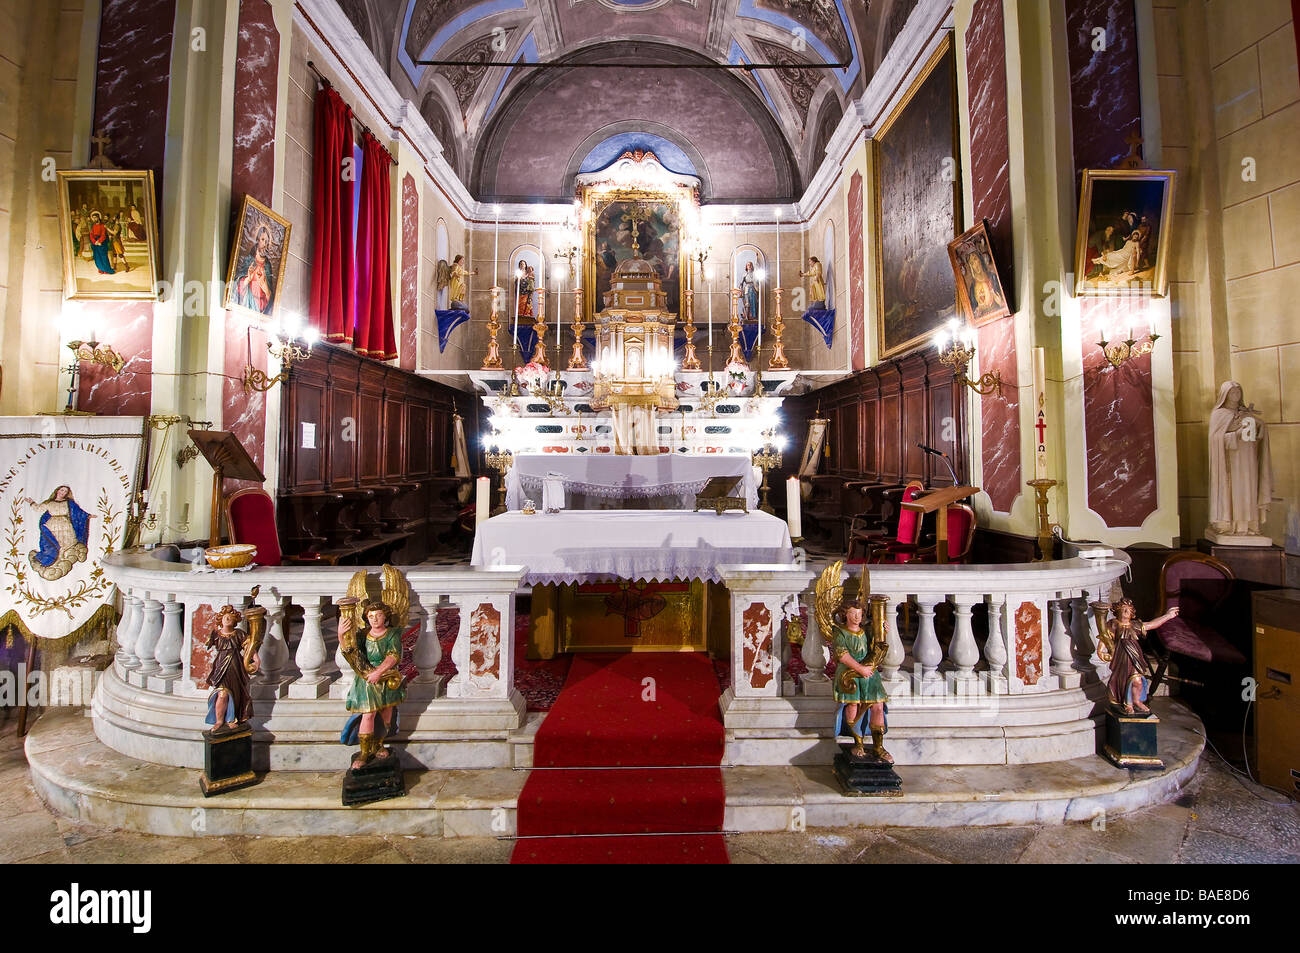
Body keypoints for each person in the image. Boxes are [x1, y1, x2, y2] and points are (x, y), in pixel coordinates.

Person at [342, 600, 406, 769]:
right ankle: (364, 751)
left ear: (385, 617)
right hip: (367, 679)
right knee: (368, 714)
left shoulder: (392, 634)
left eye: (378, 615)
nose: (375, 619)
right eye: (371, 616)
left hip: (386, 677)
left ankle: (378, 744)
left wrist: (379, 672)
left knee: (386, 712)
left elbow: (393, 655)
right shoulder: (363, 635)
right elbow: (351, 651)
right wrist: (341, 635)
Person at [1208, 380, 1273, 537]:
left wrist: (1258, 426)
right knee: (1232, 490)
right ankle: (1228, 523)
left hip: (1248, 458)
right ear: (1225, 395)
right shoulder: (1219, 414)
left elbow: (1259, 433)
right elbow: (1215, 439)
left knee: (1249, 488)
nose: (1236, 395)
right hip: (1229, 462)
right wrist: (1235, 435)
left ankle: (1249, 524)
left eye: (1238, 392)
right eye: (1232, 392)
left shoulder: (1246, 413)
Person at [831, 598, 891, 763]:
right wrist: (860, 669)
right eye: (853, 614)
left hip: (869, 673)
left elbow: (877, 642)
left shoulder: (866, 630)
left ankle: (878, 746)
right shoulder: (840, 632)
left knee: (877, 704)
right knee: (853, 705)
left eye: (859, 614)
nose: (857, 617)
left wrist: (883, 629)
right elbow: (842, 655)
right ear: (845, 614)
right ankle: (858, 743)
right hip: (850, 674)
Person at [1099, 598, 1178, 715]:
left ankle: (1136, 701)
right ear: (1117, 611)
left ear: (1132, 614)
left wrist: (1168, 616)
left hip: (1135, 657)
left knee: (1137, 680)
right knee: (1122, 681)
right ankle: (1128, 704)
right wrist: (1100, 651)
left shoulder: (1134, 625)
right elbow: (1104, 637)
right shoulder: (1113, 624)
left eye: (1128, 610)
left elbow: (1152, 624)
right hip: (1121, 658)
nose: (1126, 611)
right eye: (1123, 609)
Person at [205, 605, 258, 733]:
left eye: (230, 617)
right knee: (222, 694)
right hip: (221, 666)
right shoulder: (216, 634)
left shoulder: (239, 634)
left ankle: (232, 719)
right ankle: (219, 720)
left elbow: (249, 648)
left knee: (236, 693)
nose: (227, 619)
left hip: (236, 666)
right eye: (225, 617)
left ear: (235, 620)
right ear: (220, 619)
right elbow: (206, 645)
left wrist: (256, 659)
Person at [23, 485, 91, 581]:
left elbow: (78, 512)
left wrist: (87, 516)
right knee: (55, 544)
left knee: (67, 544)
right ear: (57, 490)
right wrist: (32, 503)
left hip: (65, 525)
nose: (63, 493)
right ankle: (52, 564)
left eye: (65, 492)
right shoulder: (49, 503)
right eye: (62, 490)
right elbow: (38, 508)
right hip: (52, 526)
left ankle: (63, 562)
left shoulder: (68, 503)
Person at [233, 224, 275, 314]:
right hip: (247, 304)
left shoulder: (267, 266)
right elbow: (236, 285)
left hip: (261, 310)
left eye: (265, 241)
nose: (263, 244)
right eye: (261, 239)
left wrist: (265, 288)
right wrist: (248, 279)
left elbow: (271, 299)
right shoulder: (249, 260)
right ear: (257, 240)